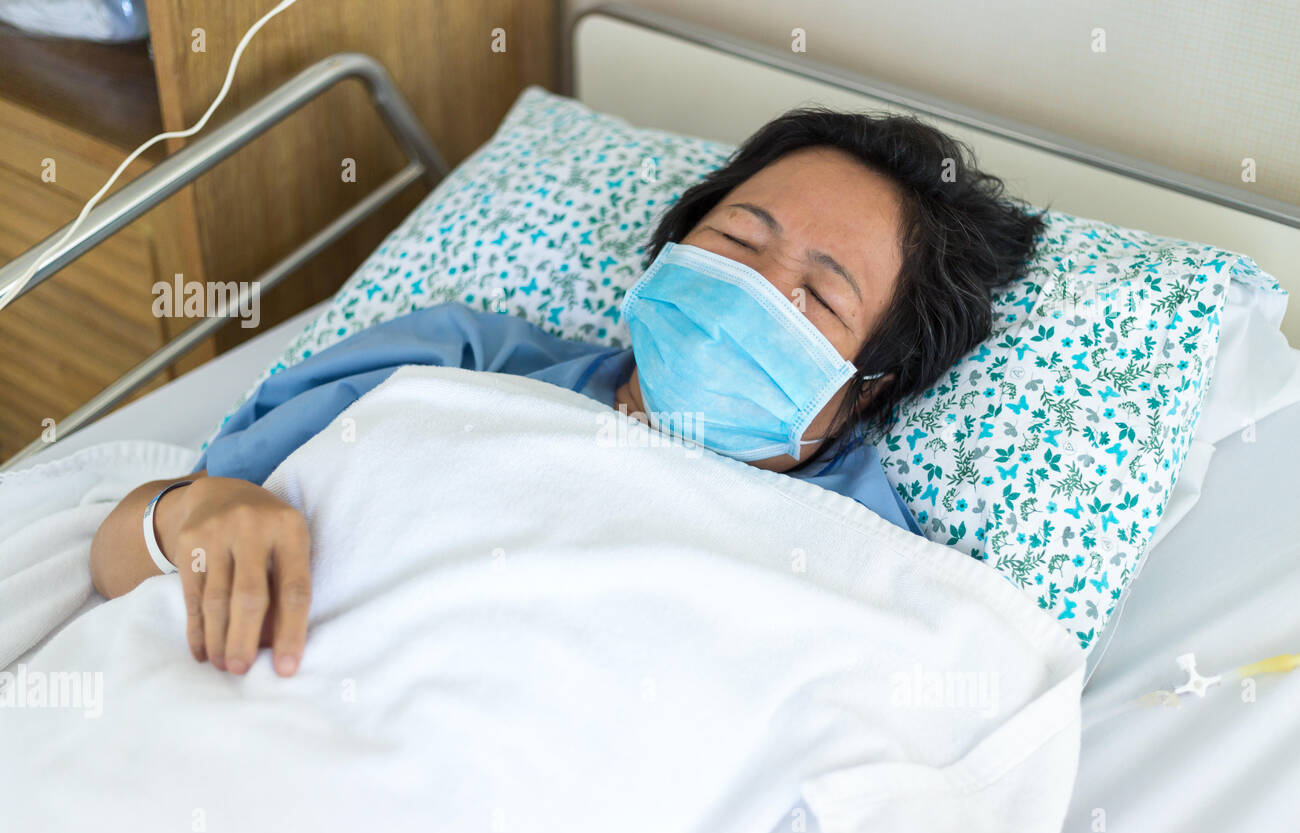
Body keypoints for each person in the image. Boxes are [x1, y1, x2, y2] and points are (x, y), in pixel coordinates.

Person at [90, 107, 1046, 678]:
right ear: (671, 249)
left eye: (818, 295)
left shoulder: (878, 582)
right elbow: (118, 560)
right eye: (737, 242)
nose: (754, 289)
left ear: (867, 389)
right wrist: (193, 512)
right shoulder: (456, 358)